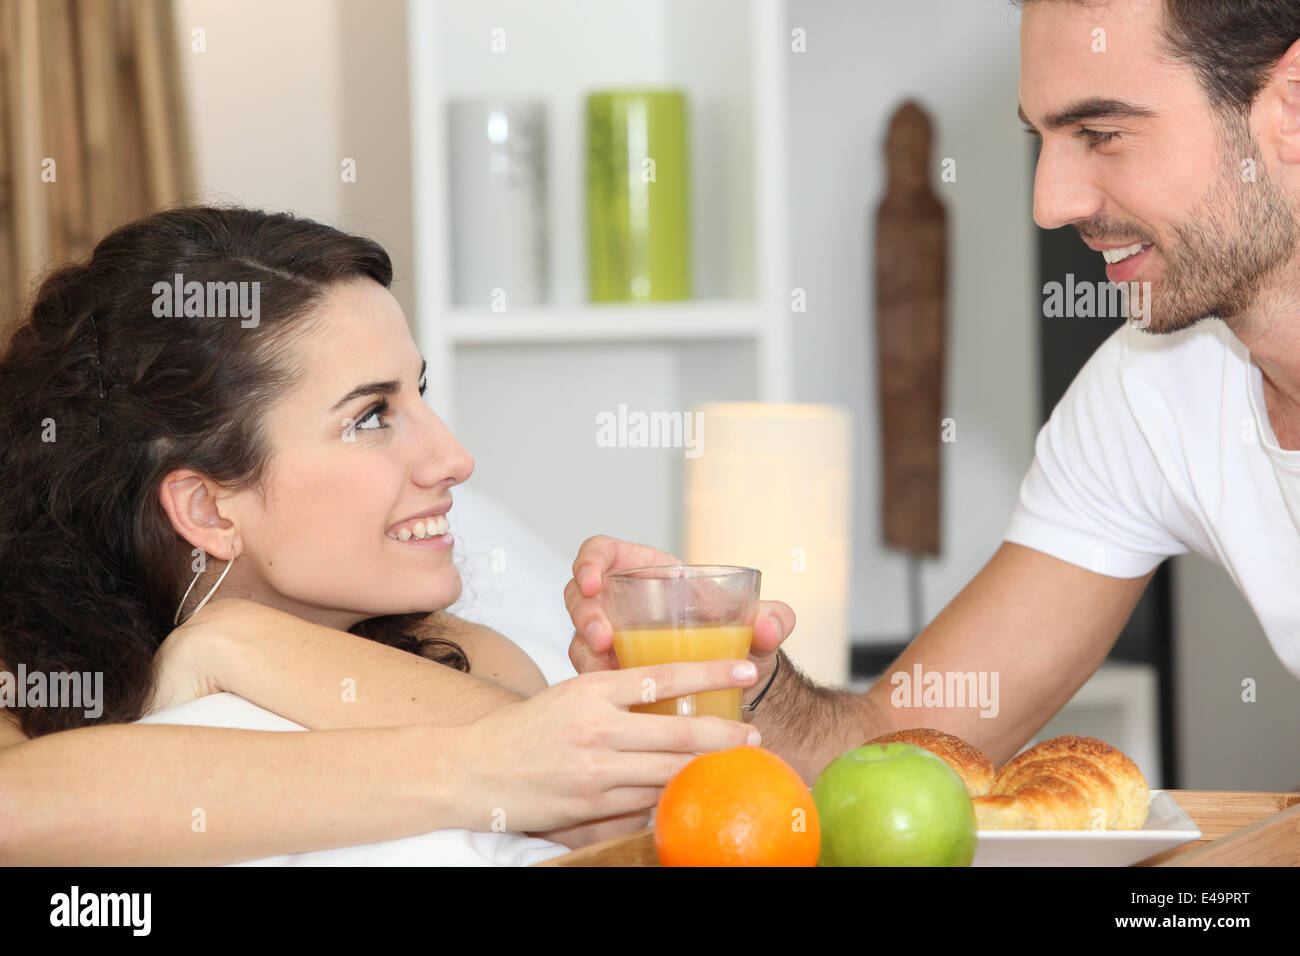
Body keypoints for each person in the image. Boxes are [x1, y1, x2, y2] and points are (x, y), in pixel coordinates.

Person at [570, 0, 1300, 782]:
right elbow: (892, 761)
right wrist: (737, 679)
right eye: (1043, 140)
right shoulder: (1148, 389)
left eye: (1101, 134)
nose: (1049, 204)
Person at [0, 205, 797, 864]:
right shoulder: (24, 670)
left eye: (420, 392)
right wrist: (465, 770)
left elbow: (610, 813)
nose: (453, 458)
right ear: (209, 510)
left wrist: (239, 646)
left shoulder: (462, 656)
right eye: (372, 416)